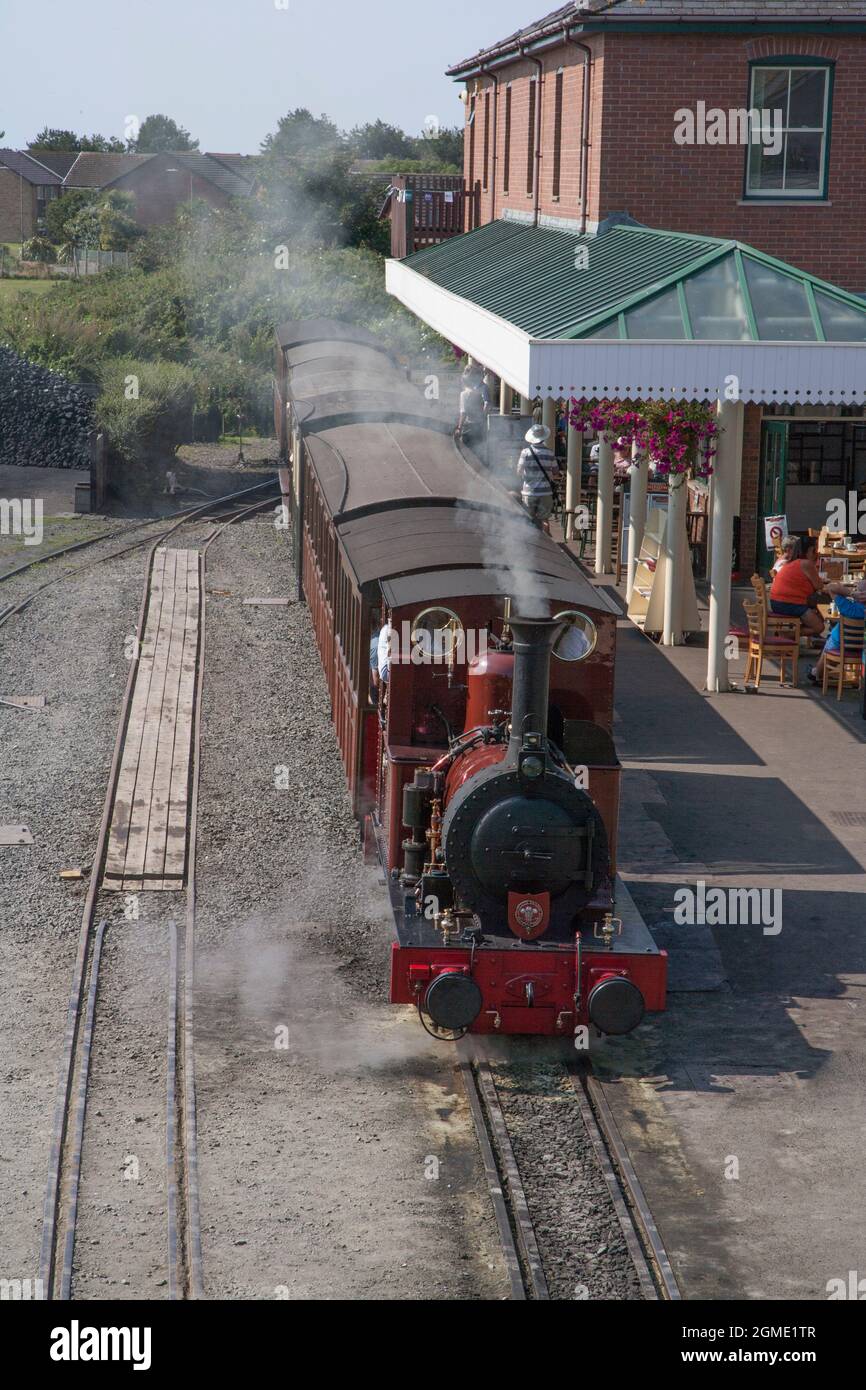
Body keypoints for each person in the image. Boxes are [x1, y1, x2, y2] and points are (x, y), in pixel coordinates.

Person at [808, 577, 866, 685]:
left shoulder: (847, 607)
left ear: (860, 595)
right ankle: (817, 672)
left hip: (844, 645)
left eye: (857, 590)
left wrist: (852, 594)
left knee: (833, 638)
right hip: (862, 647)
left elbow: (831, 587)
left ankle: (816, 673)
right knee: (834, 635)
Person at [769, 535, 825, 637]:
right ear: (811, 549)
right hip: (788, 604)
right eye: (816, 548)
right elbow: (819, 586)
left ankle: (790, 637)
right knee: (819, 627)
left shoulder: (794, 561)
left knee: (817, 612)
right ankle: (786, 635)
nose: (817, 552)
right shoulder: (806, 564)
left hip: (777, 602)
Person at [516, 423, 561, 526]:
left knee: (528, 521)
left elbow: (519, 471)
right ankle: (548, 541)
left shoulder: (525, 452)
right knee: (545, 521)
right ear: (543, 437)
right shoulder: (550, 453)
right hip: (545, 492)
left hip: (529, 491)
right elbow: (555, 472)